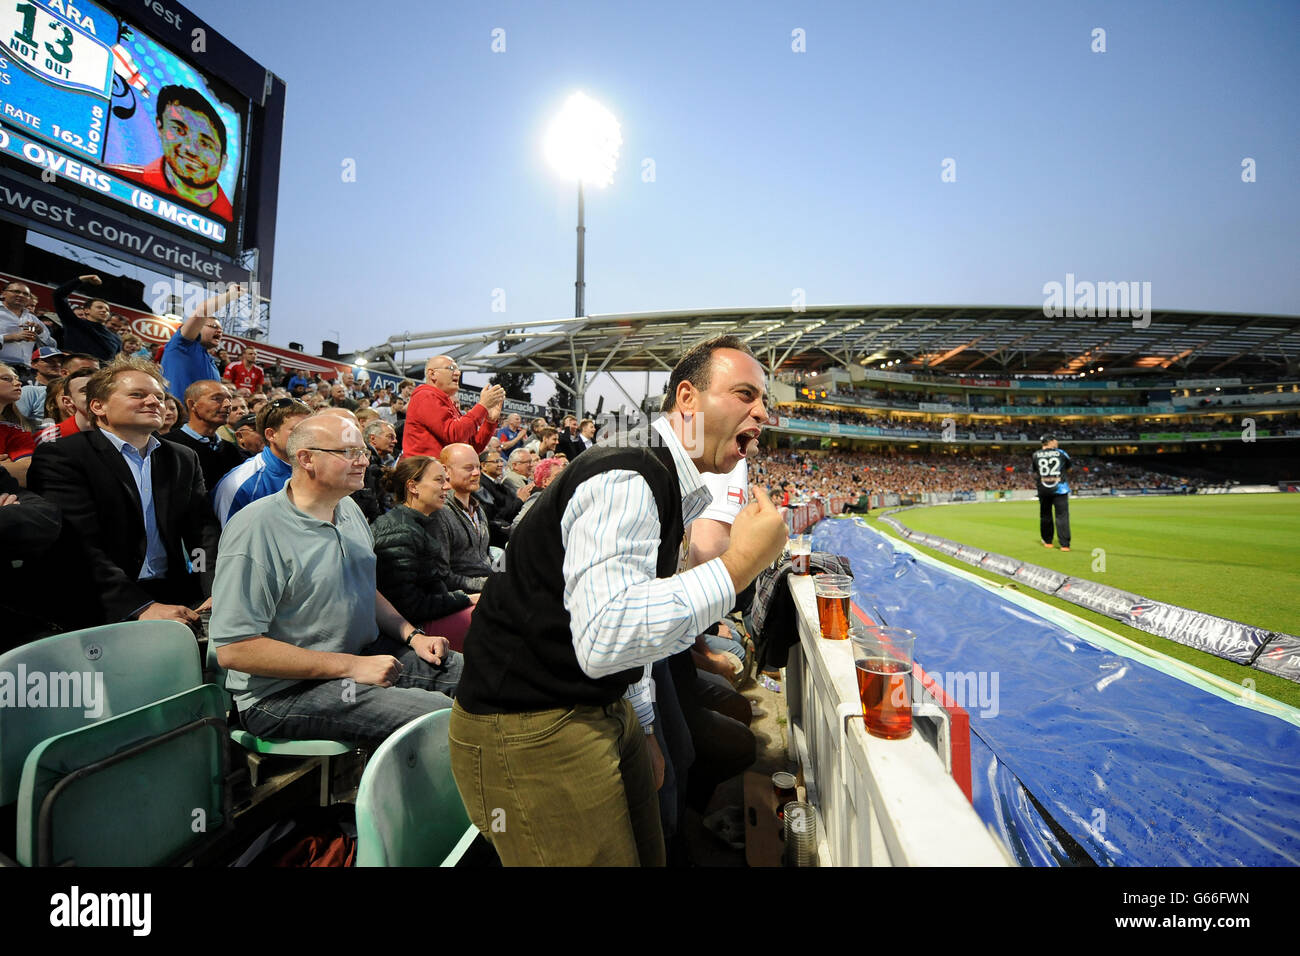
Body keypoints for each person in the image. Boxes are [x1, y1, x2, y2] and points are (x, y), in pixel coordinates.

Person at [449, 335, 786, 866]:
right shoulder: (629, 475)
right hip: (530, 725)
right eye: (746, 394)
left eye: (764, 401)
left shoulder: (664, 478)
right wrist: (741, 564)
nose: (763, 414)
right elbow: (607, 635)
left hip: (595, 704)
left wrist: (645, 725)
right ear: (688, 399)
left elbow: (635, 632)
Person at [209, 414, 464, 749]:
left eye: (362, 451)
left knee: (482, 676)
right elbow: (235, 649)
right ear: (306, 459)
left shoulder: (349, 510)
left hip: (358, 658)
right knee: (442, 718)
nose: (362, 461)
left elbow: (361, 589)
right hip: (282, 693)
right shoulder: (256, 529)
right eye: (347, 452)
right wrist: (351, 666)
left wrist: (412, 635)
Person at [28, 358, 219, 625]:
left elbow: (201, 534)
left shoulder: (183, 458)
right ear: (98, 406)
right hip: (95, 601)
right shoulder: (62, 457)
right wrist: (139, 606)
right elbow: (77, 545)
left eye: (159, 397)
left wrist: (208, 587)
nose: (154, 402)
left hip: (174, 593)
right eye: (137, 395)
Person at [372, 456, 479, 651]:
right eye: (439, 480)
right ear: (413, 486)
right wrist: (466, 598)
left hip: (433, 615)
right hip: (417, 629)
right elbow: (410, 606)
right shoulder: (400, 531)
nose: (447, 487)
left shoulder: (419, 522)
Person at [105, 85, 234, 220]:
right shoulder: (113, 179)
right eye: (179, 130)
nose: (190, 149)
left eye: (206, 143)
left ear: (223, 161)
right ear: (160, 127)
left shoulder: (233, 222)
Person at [212, 397, 311, 526]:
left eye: (310, 428)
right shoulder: (239, 484)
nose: (309, 435)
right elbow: (231, 542)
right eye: (297, 429)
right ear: (271, 435)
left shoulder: (323, 470)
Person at [402, 356, 505, 458]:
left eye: (457, 369)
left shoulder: (446, 402)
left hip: (442, 471)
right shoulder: (425, 395)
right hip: (427, 472)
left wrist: (489, 422)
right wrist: (482, 406)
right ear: (432, 374)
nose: (457, 373)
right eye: (451, 368)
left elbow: (472, 447)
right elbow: (454, 434)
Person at [160, 283, 242, 400]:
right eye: (213, 326)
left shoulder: (211, 362)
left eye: (221, 329)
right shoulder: (181, 345)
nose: (219, 331)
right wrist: (231, 295)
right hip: (176, 415)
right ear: (198, 327)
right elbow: (203, 310)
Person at [162, 380, 246, 493]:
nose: (227, 404)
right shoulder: (165, 446)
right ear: (192, 405)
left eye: (229, 399)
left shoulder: (231, 450)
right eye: (217, 398)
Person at [434, 443, 493, 592]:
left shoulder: (478, 508)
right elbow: (443, 576)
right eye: (468, 468)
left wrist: (504, 575)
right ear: (445, 470)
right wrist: (491, 585)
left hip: (490, 588)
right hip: (466, 597)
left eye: (478, 467)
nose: (476, 473)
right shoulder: (440, 512)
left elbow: (486, 557)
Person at [52, 275, 120, 362]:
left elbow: (114, 361)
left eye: (107, 310)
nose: (104, 310)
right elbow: (58, 295)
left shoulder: (116, 339)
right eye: (99, 307)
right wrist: (83, 279)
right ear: (87, 310)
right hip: (74, 371)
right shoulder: (74, 323)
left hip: (99, 374)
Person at [1, 280, 57, 376]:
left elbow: (52, 346)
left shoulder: (32, 318)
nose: (21, 295)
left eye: (25, 294)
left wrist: (41, 332)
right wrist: (10, 337)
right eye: (16, 291)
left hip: (25, 372)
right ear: (4, 294)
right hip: (1, 366)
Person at [1032, 434, 1072, 551]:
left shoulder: (1035, 454)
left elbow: (1036, 470)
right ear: (1050, 441)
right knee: (1062, 516)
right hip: (1060, 488)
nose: (1057, 442)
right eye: (1055, 440)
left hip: (1043, 488)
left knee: (1045, 515)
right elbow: (1069, 468)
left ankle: (1048, 541)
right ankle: (1064, 544)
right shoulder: (1061, 453)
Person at [351, 419, 396, 522]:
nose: (395, 441)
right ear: (373, 438)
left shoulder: (385, 460)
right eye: (390, 437)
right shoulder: (367, 462)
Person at [0, 363, 36, 485]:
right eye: (6, 379)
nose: (18, 383)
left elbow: (26, 472)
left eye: (17, 379)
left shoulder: (14, 430)